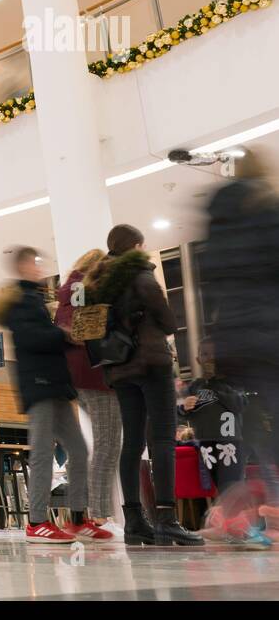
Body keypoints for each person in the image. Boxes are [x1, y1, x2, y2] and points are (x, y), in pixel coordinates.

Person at [87, 224, 202, 546]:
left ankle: (134, 521)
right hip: (152, 364)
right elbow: (168, 321)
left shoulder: (97, 282)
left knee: (132, 443)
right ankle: (167, 519)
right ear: (136, 245)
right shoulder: (142, 276)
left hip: (119, 369)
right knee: (163, 439)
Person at [0, 246, 107, 544]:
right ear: (21, 267)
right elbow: (30, 339)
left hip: (55, 384)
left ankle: (78, 518)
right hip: (39, 384)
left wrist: (66, 337)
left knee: (79, 450)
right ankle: (37, 521)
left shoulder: (36, 298)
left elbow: (43, 337)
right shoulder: (21, 301)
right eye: (33, 262)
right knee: (42, 451)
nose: (38, 267)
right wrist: (65, 335)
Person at [198, 149, 279, 538]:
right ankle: (267, 508)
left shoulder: (219, 224)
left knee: (260, 427)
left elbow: (209, 283)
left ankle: (239, 509)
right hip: (270, 333)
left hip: (237, 338)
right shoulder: (268, 214)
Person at [54, 248, 122, 528]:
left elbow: (66, 326)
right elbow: (85, 329)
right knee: (108, 445)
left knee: (94, 446)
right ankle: (98, 514)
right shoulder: (87, 287)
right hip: (97, 375)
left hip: (75, 377)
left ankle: (85, 512)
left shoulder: (67, 290)